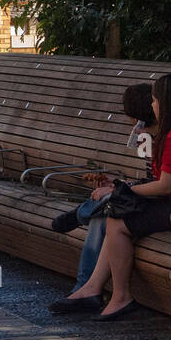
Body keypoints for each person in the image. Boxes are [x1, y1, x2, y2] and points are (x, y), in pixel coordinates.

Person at [59, 73, 171, 321]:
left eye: (154, 99)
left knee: (117, 223)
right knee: (118, 213)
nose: (152, 105)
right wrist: (122, 189)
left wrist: (121, 190)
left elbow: (165, 187)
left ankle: (120, 297)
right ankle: (93, 289)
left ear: (166, 102)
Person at [49, 84, 158, 312]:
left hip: (167, 204)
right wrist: (117, 184)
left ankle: (80, 215)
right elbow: (151, 179)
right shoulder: (148, 136)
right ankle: (87, 290)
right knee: (104, 216)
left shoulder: (157, 136)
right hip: (152, 196)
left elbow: (160, 185)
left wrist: (120, 188)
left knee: (111, 209)